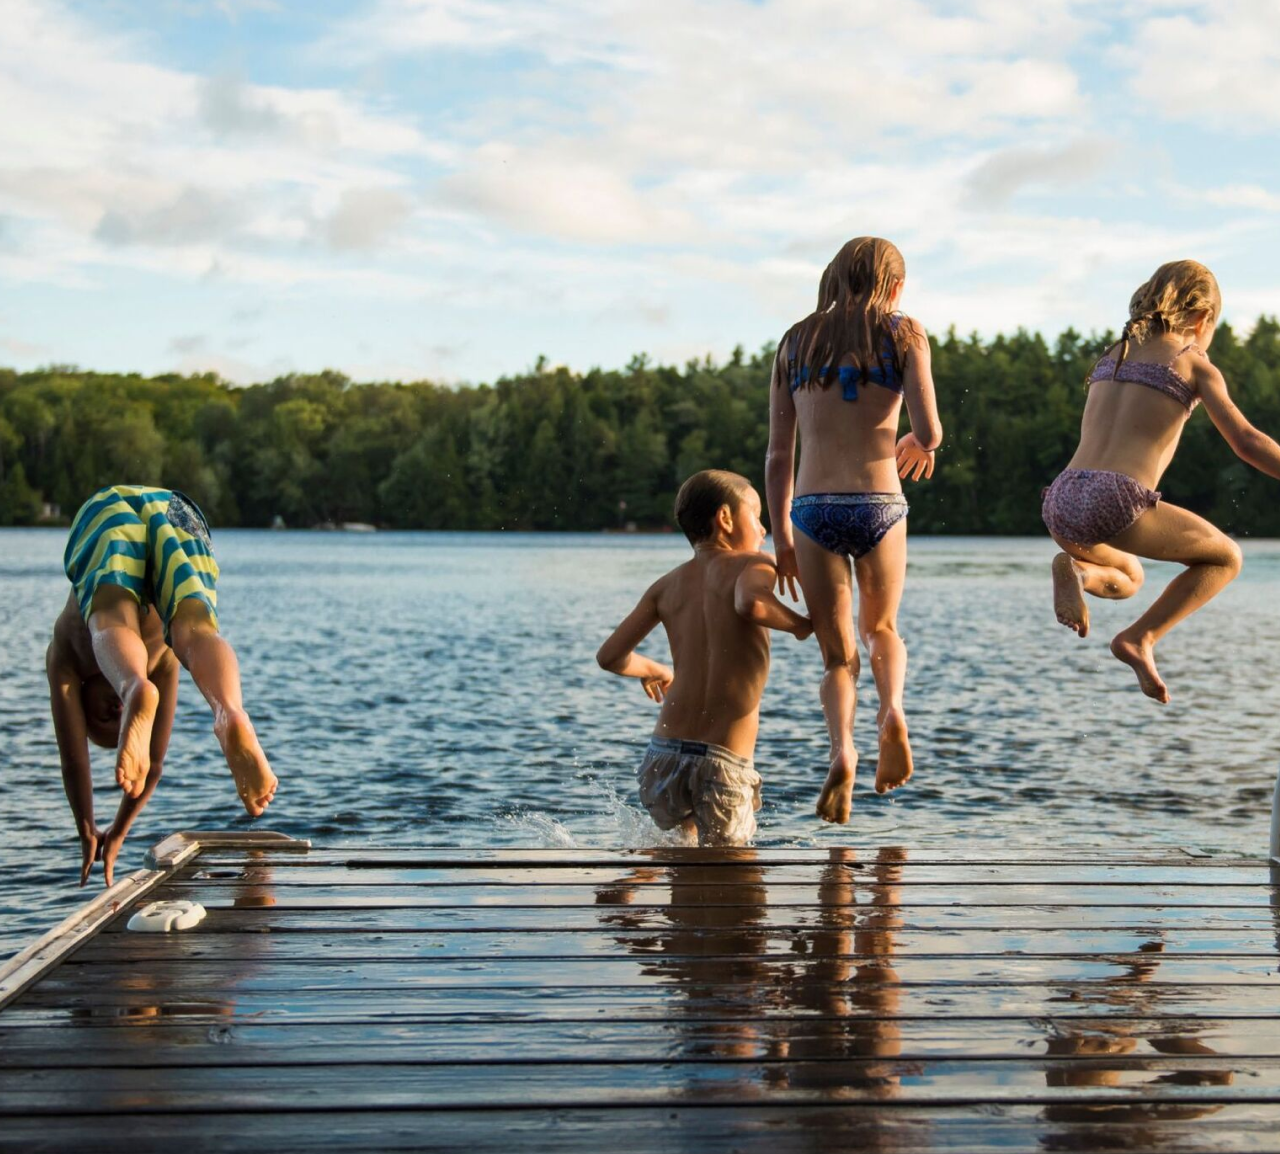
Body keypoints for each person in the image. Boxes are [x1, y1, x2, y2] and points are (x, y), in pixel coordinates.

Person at [1043, 260, 1280, 703]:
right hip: (1116, 496)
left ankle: (1078, 571)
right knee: (1225, 559)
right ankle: (1140, 638)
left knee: (1129, 576)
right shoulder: (1192, 363)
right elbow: (1247, 441)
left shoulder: (1113, 356)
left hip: (1062, 495)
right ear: (1201, 318)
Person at [765, 236, 942, 825]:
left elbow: (776, 454)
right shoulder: (904, 333)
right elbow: (931, 429)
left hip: (812, 506)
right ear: (893, 285)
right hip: (878, 501)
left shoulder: (796, 340)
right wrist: (917, 443)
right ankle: (892, 710)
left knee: (837, 657)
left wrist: (783, 540)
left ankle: (843, 749)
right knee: (882, 628)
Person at [47, 484, 278, 885]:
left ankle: (134, 684)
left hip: (107, 512)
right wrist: (118, 831)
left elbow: (74, 761)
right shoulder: (163, 662)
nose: (116, 716)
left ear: (83, 701)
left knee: (112, 617)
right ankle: (229, 711)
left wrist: (88, 827)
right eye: (121, 721)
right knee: (195, 630)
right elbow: (151, 766)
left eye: (105, 720)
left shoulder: (65, 658)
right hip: (172, 508)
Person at [596, 470, 812, 846]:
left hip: (662, 758)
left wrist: (655, 668)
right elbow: (750, 603)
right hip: (722, 762)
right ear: (725, 519)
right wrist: (802, 625)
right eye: (756, 516)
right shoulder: (752, 563)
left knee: (683, 863)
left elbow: (610, 656)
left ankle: (644, 879)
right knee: (734, 886)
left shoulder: (665, 585)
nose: (763, 530)